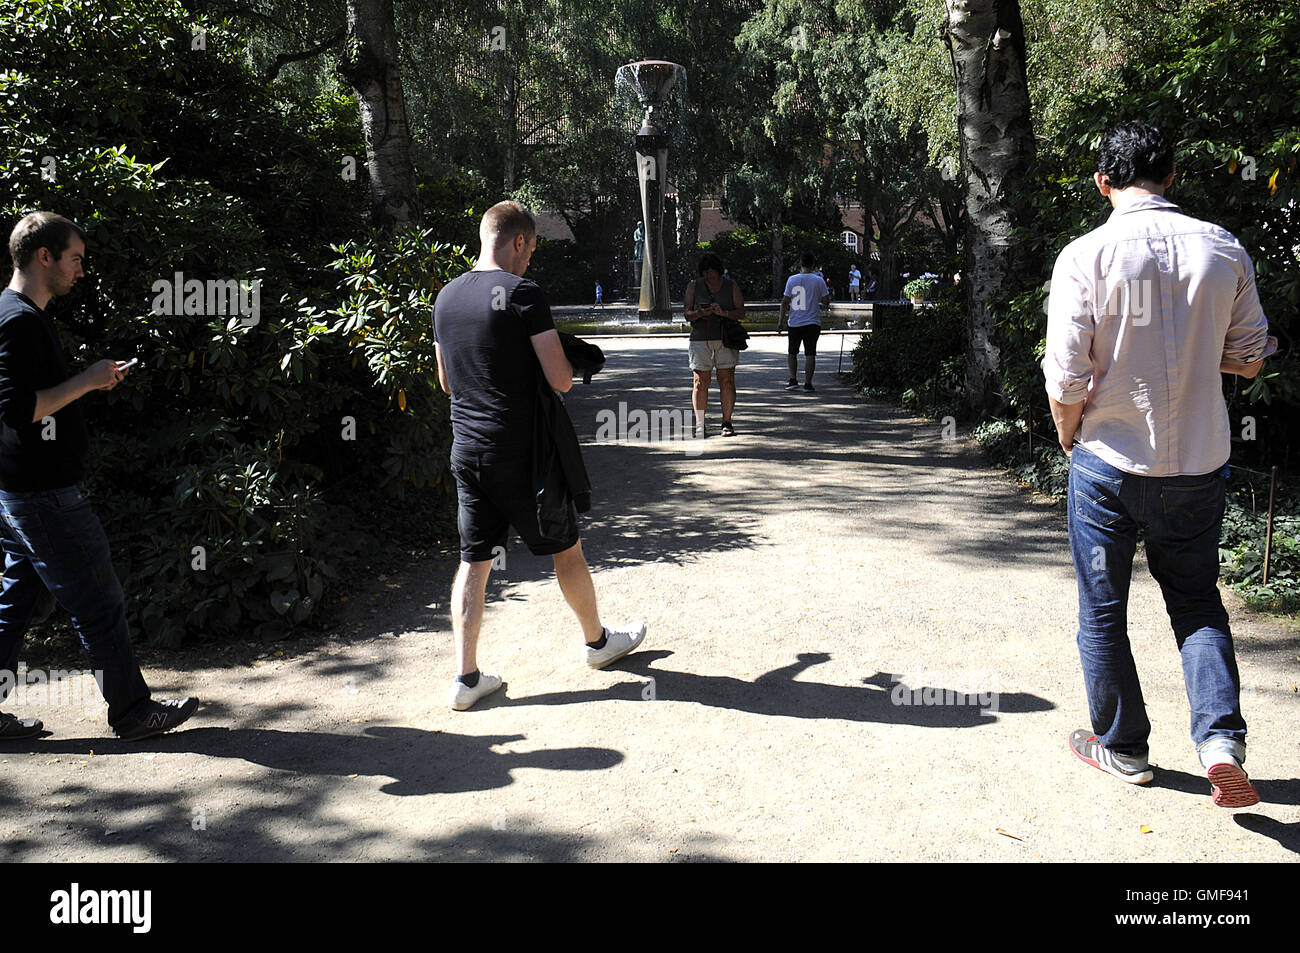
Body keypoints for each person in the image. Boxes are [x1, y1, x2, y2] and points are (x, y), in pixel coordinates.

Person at [1043, 121, 1276, 807]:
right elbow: (1253, 354)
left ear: (1102, 181)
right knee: (1198, 599)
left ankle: (1124, 747)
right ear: (1172, 175)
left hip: (1108, 462)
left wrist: (1068, 436)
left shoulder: (1086, 255)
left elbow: (1065, 377)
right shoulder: (1222, 248)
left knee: (1103, 609)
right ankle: (1220, 742)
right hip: (1199, 463)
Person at [434, 201, 646, 711]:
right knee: (565, 549)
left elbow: (446, 382)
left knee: (473, 563)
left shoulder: (445, 297)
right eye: (531, 251)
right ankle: (598, 644)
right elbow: (561, 379)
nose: (529, 263)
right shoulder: (523, 293)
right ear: (520, 241)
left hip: (469, 449)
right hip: (525, 453)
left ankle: (466, 679)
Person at [0, 212, 199, 740]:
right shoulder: (18, 321)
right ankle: (133, 711)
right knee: (99, 600)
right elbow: (19, 411)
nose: (81, 271)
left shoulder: (16, 313)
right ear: (45, 256)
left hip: (20, 492)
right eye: (75, 259)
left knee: (18, 600)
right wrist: (87, 381)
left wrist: (89, 381)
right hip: (43, 495)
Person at [683, 253, 744, 437]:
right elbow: (687, 314)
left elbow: (741, 312)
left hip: (725, 338)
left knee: (726, 380)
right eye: (705, 272)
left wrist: (724, 313)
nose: (709, 275)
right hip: (700, 338)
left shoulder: (731, 286)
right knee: (700, 382)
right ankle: (700, 424)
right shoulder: (694, 286)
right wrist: (700, 313)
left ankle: (727, 422)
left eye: (712, 272)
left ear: (719, 271)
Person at [780, 253, 830, 392]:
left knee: (792, 352)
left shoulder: (792, 279)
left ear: (800, 263)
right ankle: (808, 383)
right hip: (812, 322)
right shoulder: (818, 280)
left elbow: (785, 302)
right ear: (813, 264)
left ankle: (793, 379)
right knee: (810, 353)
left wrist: (780, 321)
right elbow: (826, 301)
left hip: (795, 321)